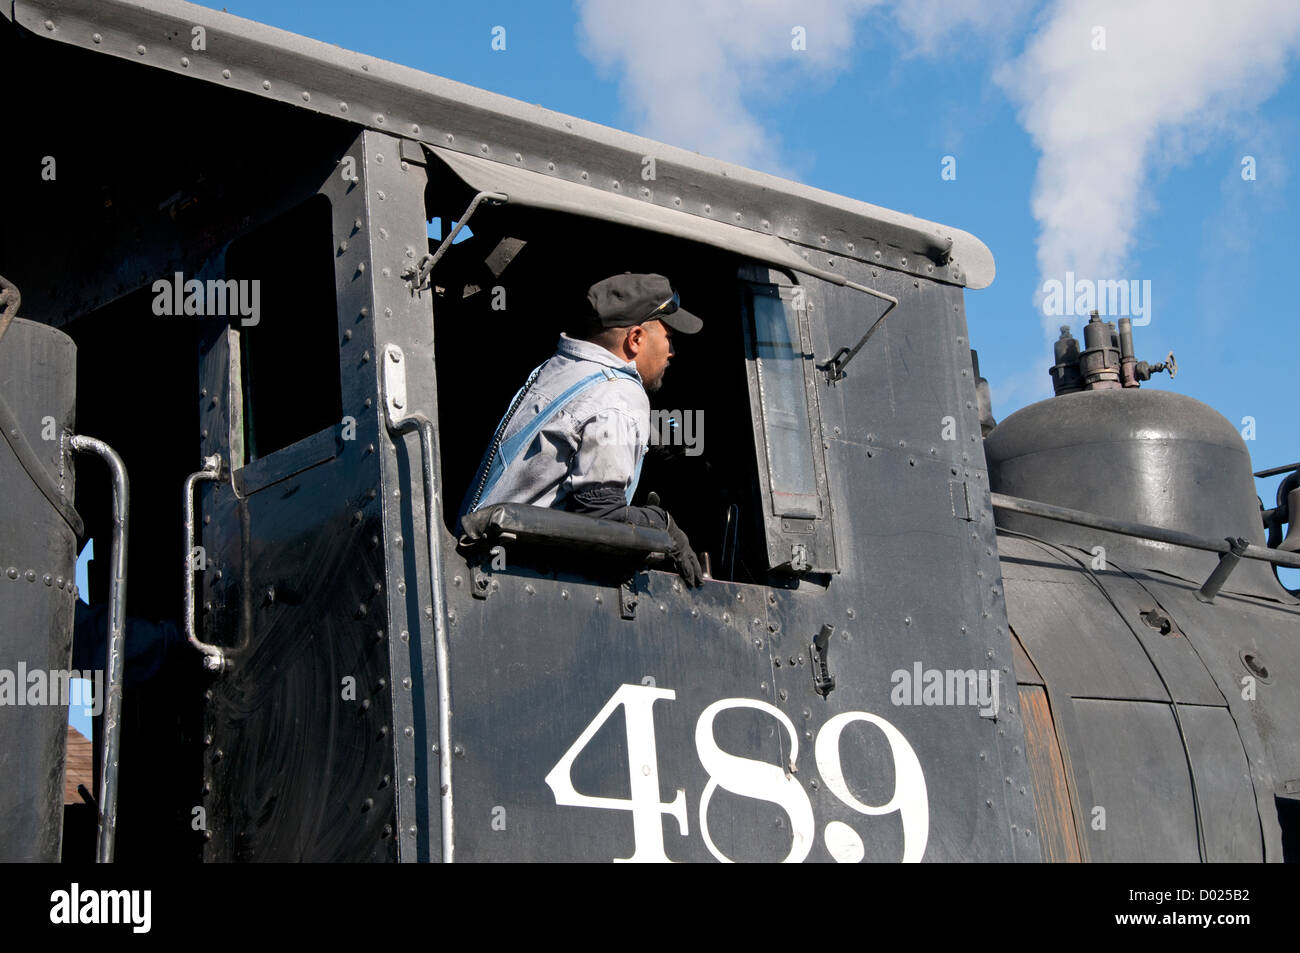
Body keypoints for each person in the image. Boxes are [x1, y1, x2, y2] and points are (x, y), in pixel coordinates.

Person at [460, 273, 704, 586]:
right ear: (637, 339)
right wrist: (662, 526)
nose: (672, 351)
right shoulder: (619, 396)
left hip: (484, 566)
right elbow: (599, 517)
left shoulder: (558, 370)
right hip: (523, 581)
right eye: (669, 338)